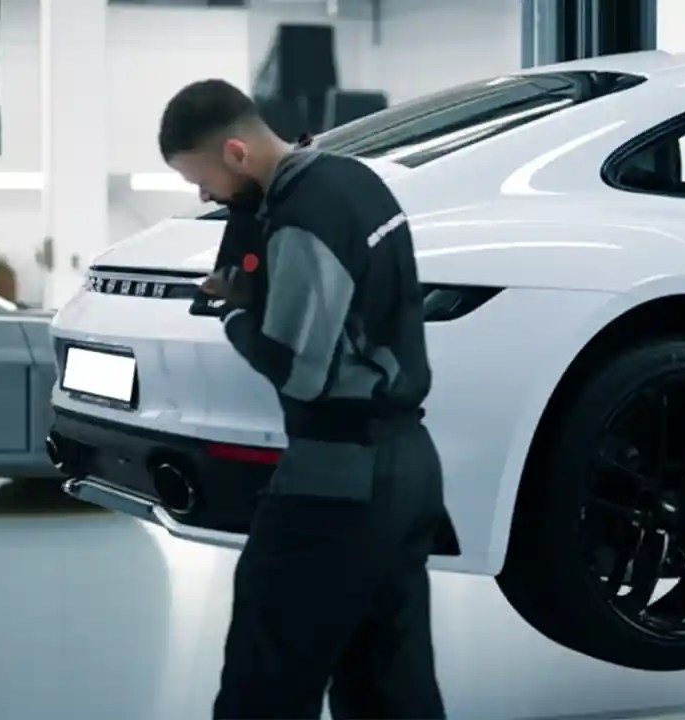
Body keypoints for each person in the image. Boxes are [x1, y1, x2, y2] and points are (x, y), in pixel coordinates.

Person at [158, 79, 448, 720]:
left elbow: (301, 372)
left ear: (236, 152)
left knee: (268, 671)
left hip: (336, 475)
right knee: (387, 680)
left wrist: (231, 315)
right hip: (409, 468)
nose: (205, 196)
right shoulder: (356, 180)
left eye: (200, 179)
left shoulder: (301, 218)